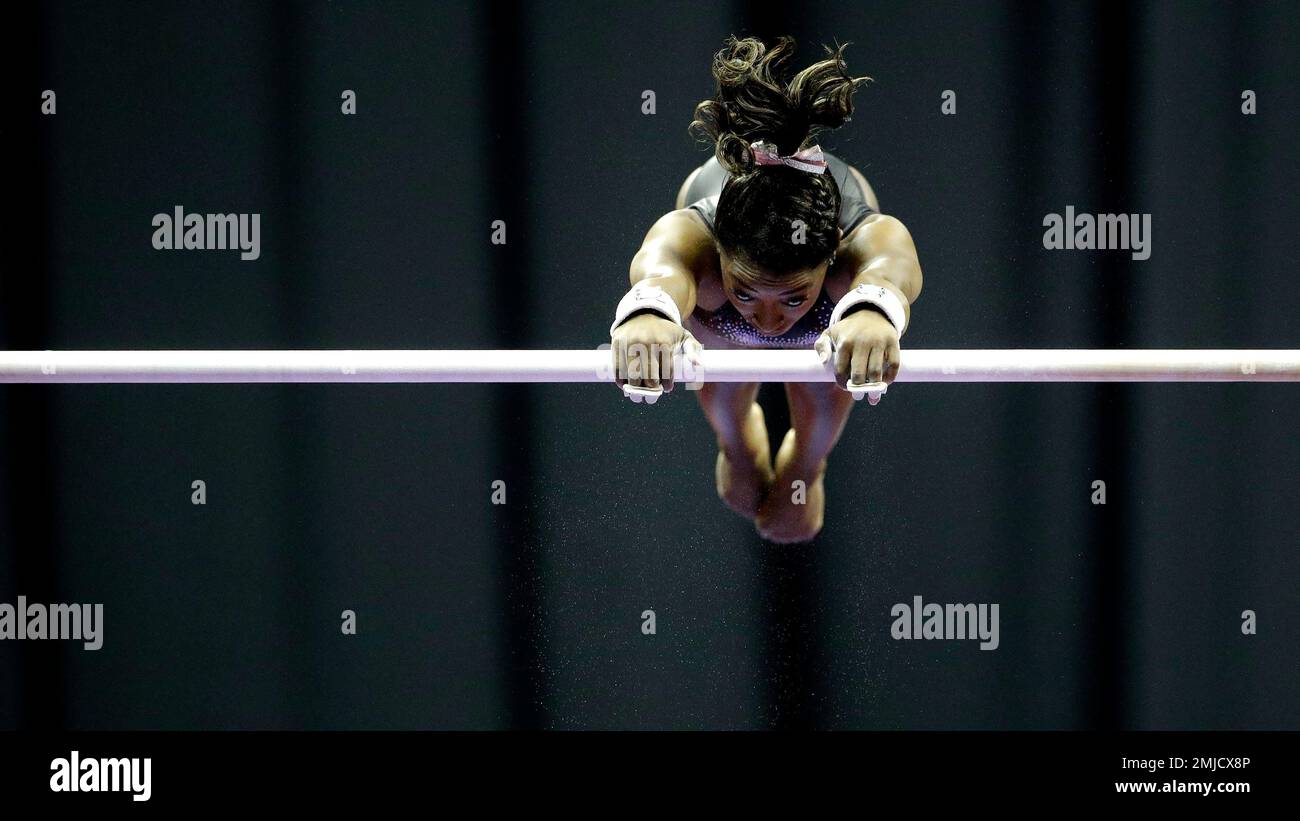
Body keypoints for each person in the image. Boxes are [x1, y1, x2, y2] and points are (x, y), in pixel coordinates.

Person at [609, 35, 923, 543]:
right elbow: (658, 272)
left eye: (794, 296)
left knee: (796, 496)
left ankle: (807, 465)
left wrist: (874, 312)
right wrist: (649, 317)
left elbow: (891, 269)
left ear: (831, 255)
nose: (769, 320)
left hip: (827, 312)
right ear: (719, 253)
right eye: (748, 292)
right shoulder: (694, 242)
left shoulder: (859, 246)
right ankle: (736, 442)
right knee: (740, 477)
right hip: (723, 305)